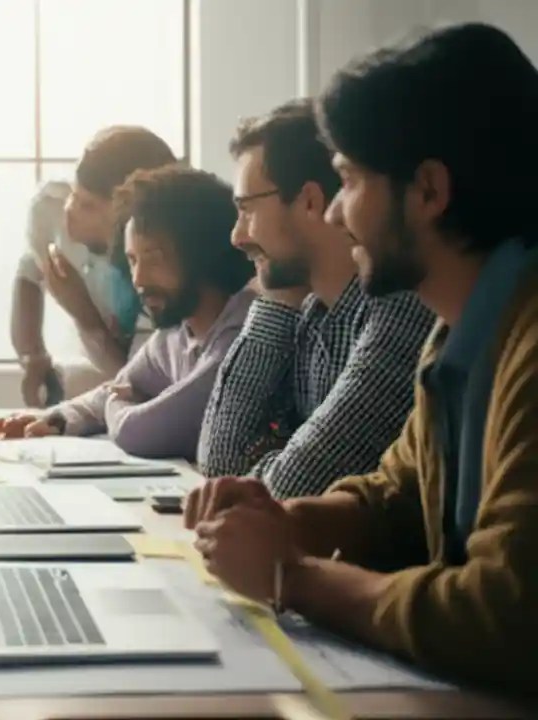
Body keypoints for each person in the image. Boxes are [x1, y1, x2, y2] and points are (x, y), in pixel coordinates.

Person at [186, 23, 538, 693]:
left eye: (348, 181)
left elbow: (506, 614)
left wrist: (293, 577)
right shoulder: (459, 333)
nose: (336, 215)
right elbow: (396, 497)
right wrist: (283, 520)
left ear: (428, 191)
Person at [197, 99, 435, 498]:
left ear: (309, 201)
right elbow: (219, 464)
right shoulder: (309, 314)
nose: (237, 236)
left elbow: (292, 488)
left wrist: (274, 460)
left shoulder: (401, 310)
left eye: (247, 210)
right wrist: (275, 301)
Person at [0, 166, 256, 461]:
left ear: (201, 254)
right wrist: (53, 420)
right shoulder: (175, 334)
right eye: (133, 261)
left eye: (153, 260)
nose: (138, 279)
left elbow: (141, 432)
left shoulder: (244, 333)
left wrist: (116, 404)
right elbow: (115, 390)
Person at [11, 126, 177, 407]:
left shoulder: (164, 270)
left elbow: (140, 390)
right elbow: (30, 271)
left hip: (147, 388)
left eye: (87, 206)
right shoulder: (52, 207)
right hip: (93, 368)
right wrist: (32, 354)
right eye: (74, 195)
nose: (70, 210)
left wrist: (82, 312)